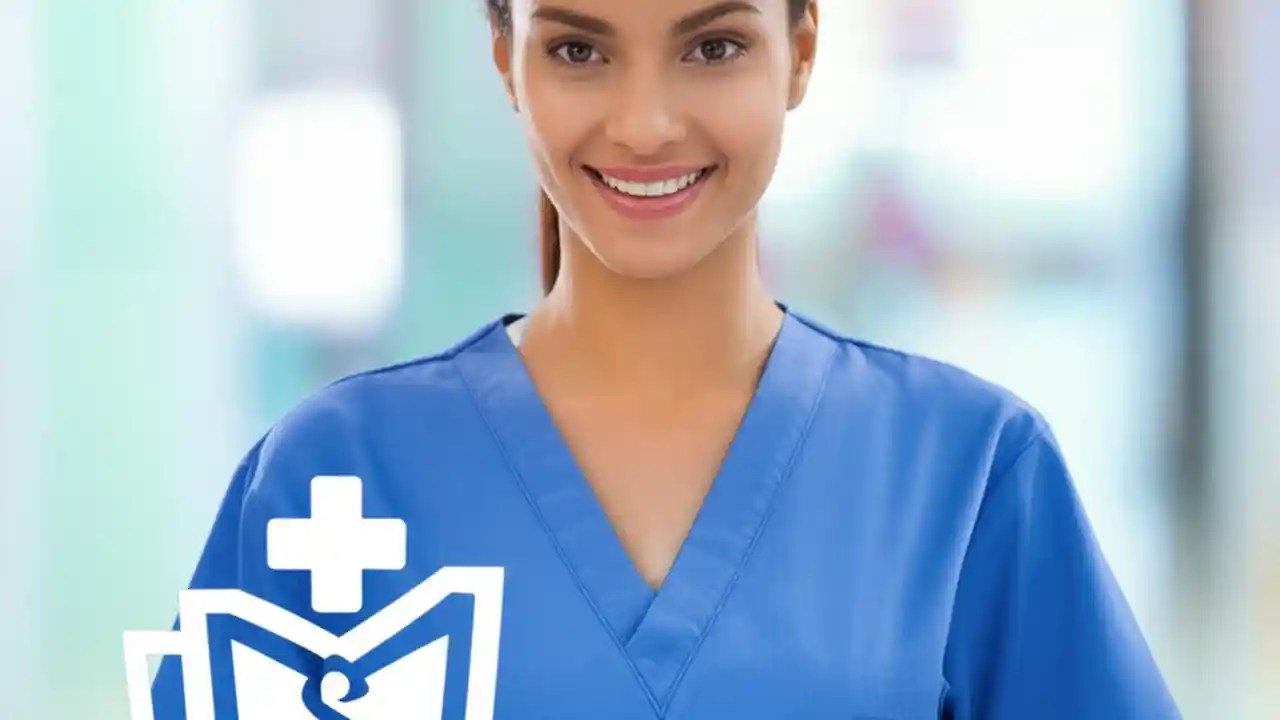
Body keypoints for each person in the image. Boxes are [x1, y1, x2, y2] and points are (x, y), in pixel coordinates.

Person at [151, 1, 1182, 717]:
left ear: (803, 50)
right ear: (507, 60)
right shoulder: (333, 477)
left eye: (712, 47)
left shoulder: (964, 474)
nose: (644, 124)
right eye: (578, 51)